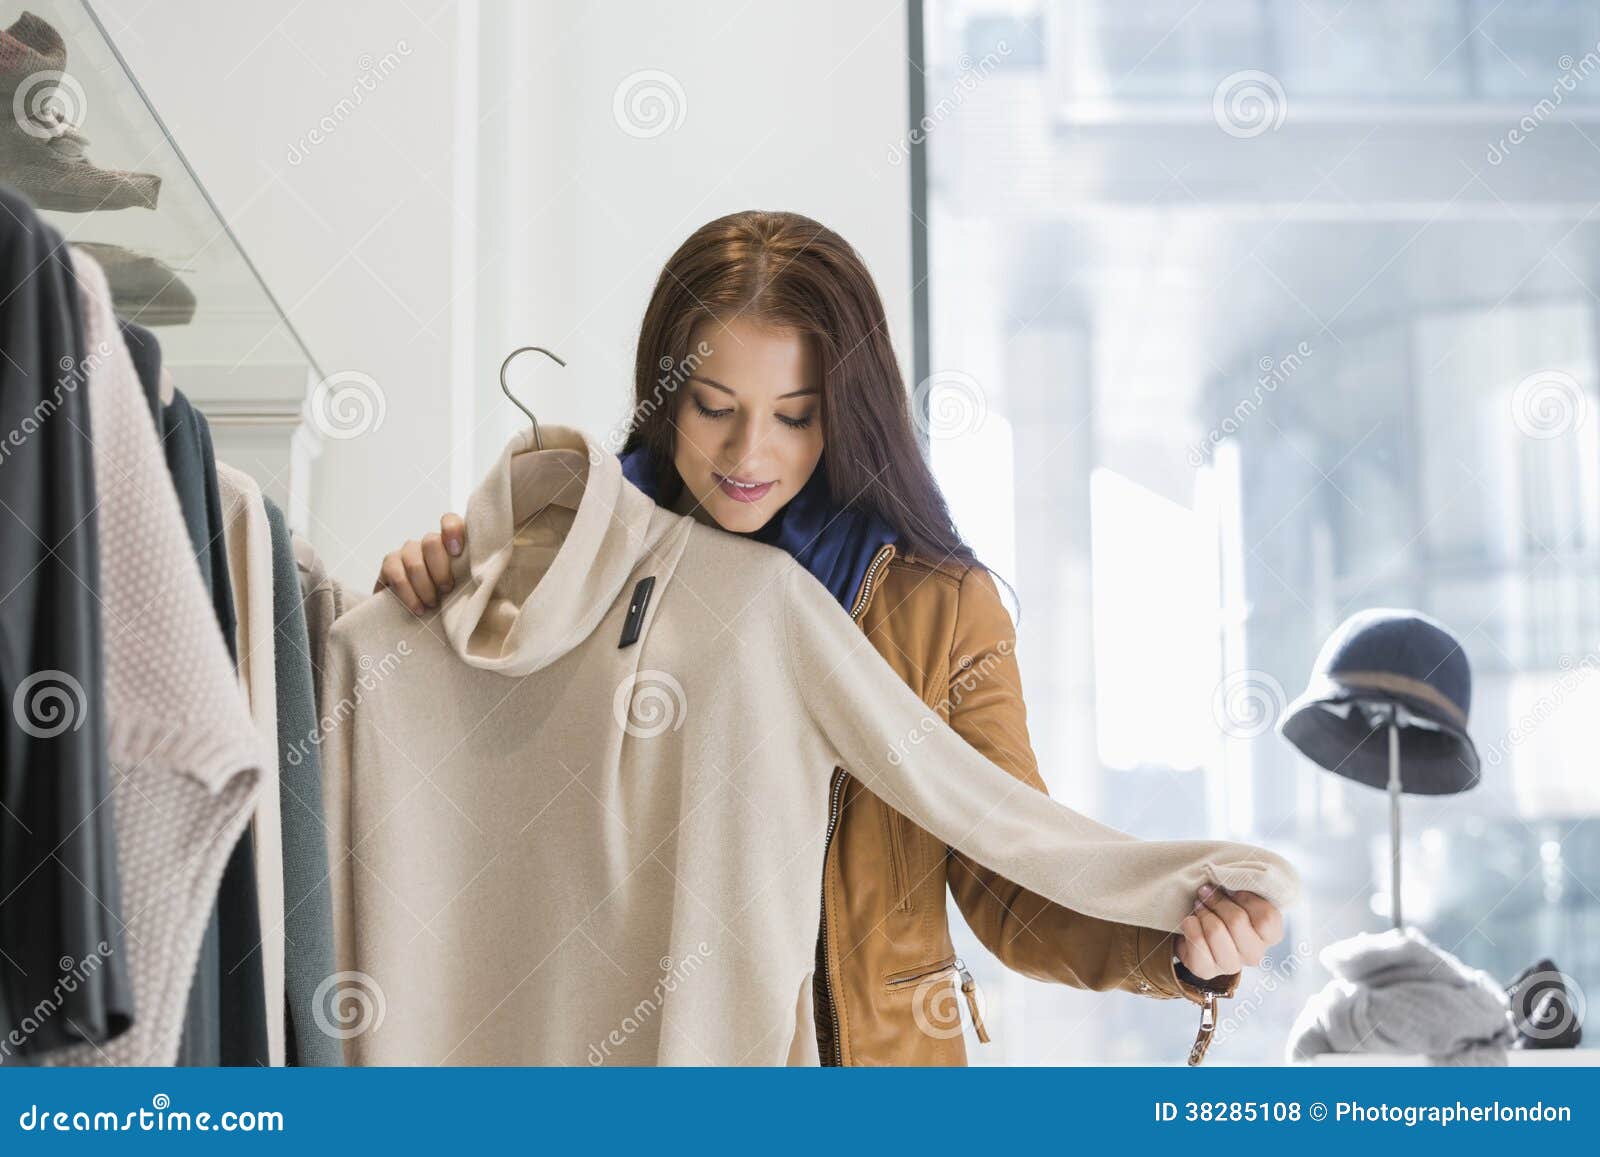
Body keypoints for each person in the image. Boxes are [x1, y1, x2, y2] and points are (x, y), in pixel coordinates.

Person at [373, 209, 1284, 1065]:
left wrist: (1177, 939)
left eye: (793, 415)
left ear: (846, 408)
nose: (746, 456)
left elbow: (1009, 873)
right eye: (713, 406)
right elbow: (482, 795)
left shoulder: (938, 610)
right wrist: (421, 621)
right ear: (665, 393)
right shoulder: (575, 565)